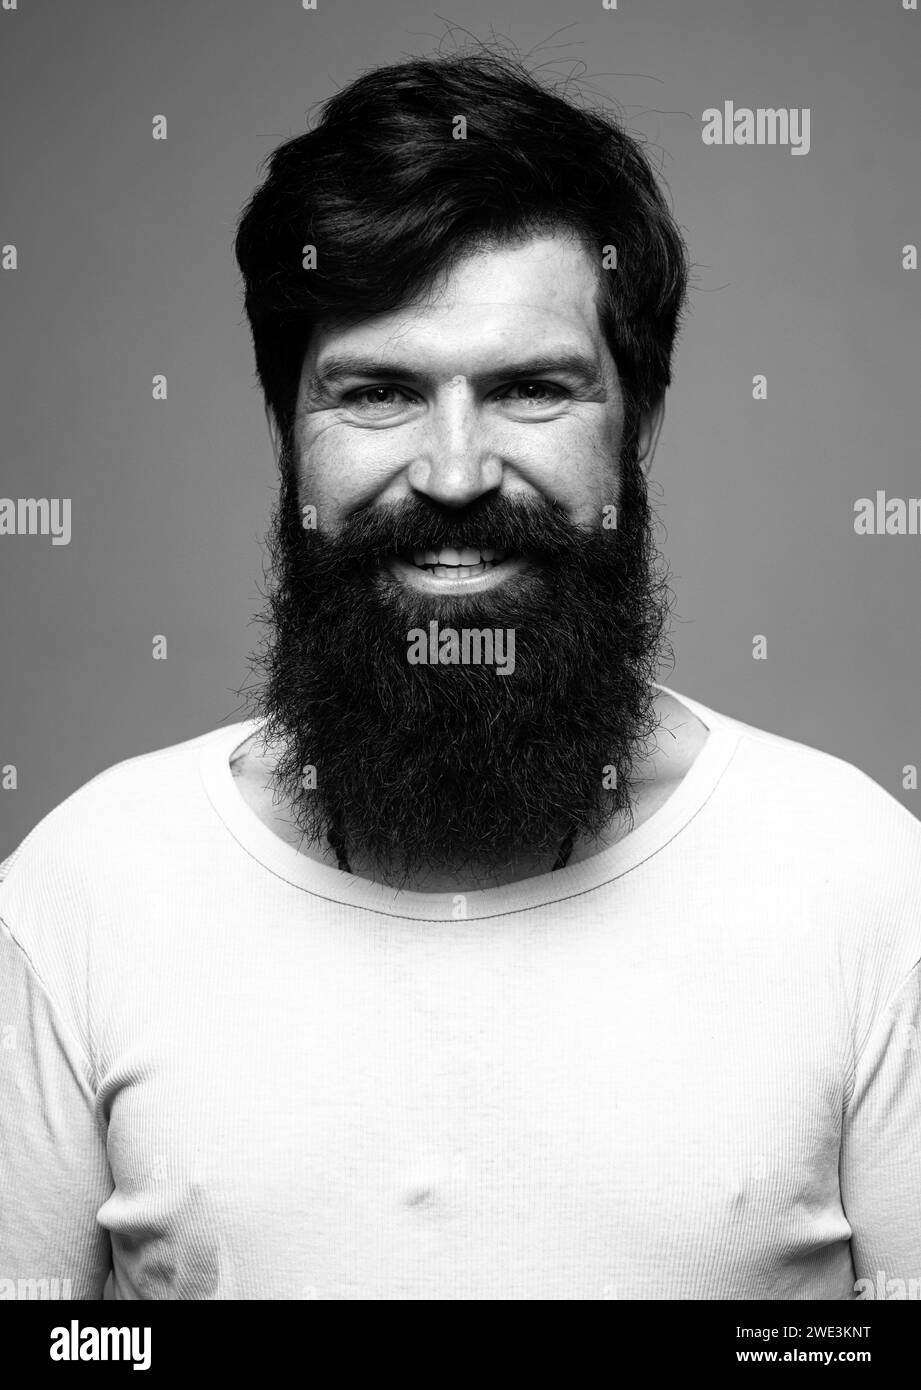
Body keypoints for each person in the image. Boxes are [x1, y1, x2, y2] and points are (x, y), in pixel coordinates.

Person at [1, 49, 919, 1302]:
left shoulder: (867, 889)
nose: (452, 472)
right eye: (377, 392)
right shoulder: (80, 895)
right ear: (287, 429)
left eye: (531, 389)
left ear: (637, 425)